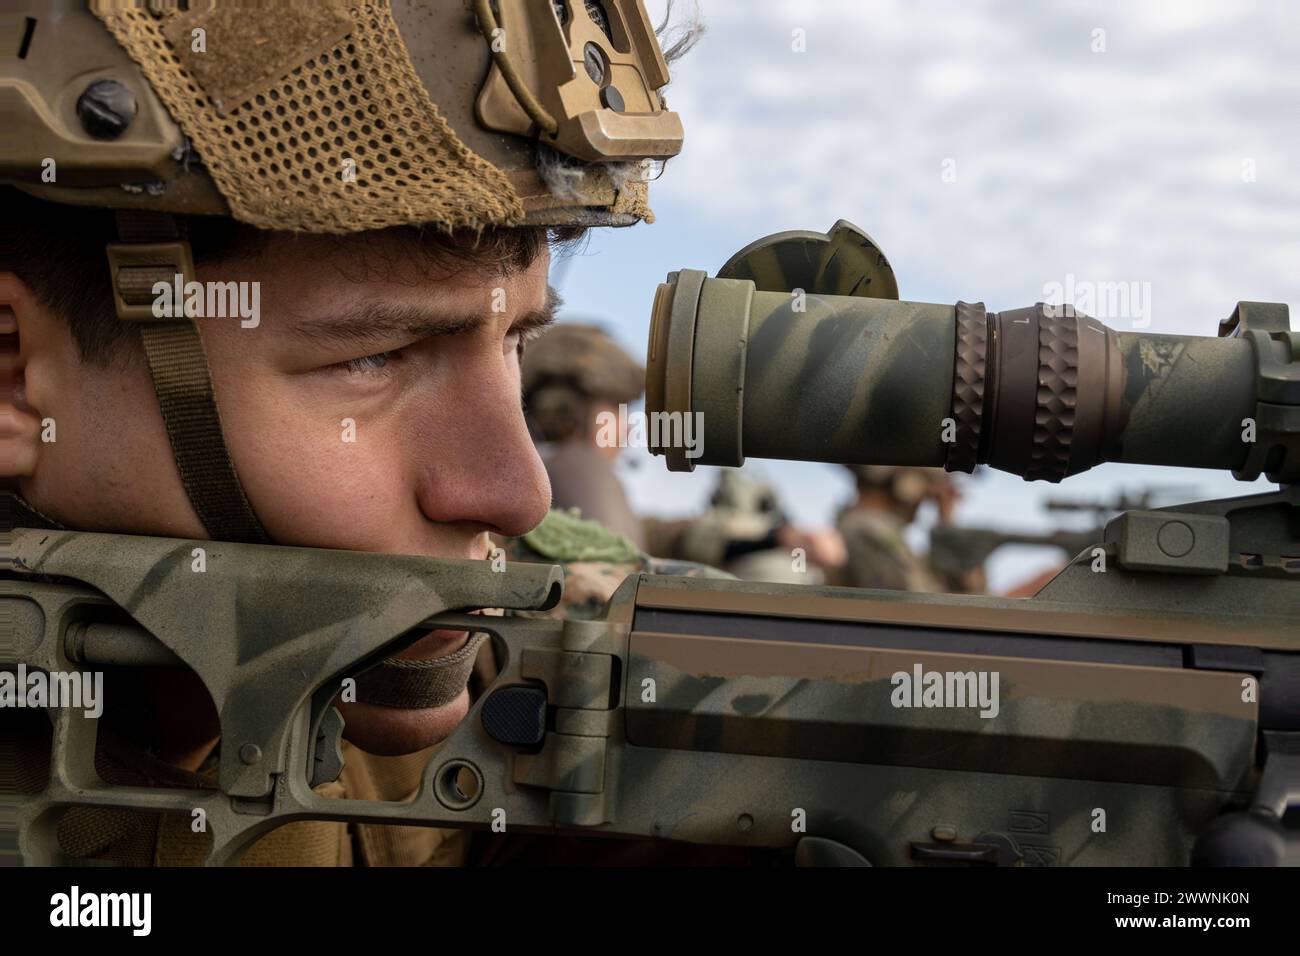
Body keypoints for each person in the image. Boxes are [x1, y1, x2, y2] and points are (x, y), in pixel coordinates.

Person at [1, 0, 701, 865]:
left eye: (518, 339)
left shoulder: (536, 657)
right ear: (15, 376)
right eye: (379, 358)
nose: (519, 493)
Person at [521, 322, 647, 549]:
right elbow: (614, 565)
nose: (627, 429)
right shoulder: (579, 464)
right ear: (568, 411)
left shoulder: (542, 473)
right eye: (617, 409)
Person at [832, 465, 953, 593]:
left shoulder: (872, 528)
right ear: (906, 487)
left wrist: (944, 521)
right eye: (925, 493)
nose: (923, 501)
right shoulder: (868, 531)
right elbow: (911, 599)